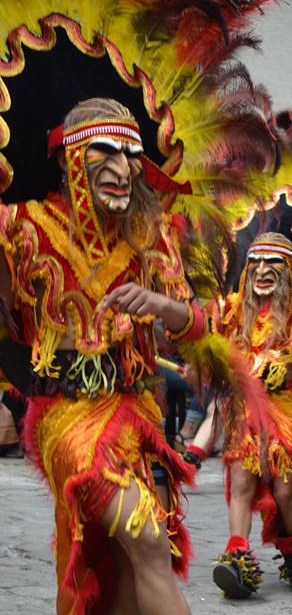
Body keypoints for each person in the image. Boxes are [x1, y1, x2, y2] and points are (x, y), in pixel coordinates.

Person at [0, 98, 202, 615]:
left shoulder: (151, 234)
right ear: (70, 158)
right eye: (103, 151)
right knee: (148, 541)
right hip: (63, 417)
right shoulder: (21, 227)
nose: (123, 169)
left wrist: (163, 306)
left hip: (136, 412)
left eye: (132, 155)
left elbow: (201, 330)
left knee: (118, 559)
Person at [210, 233, 292, 599]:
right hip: (244, 404)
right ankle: (237, 560)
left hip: (284, 405)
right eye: (256, 264)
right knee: (242, 483)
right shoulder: (234, 307)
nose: (263, 271)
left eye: (273, 264)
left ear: (288, 271)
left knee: (284, 490)